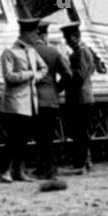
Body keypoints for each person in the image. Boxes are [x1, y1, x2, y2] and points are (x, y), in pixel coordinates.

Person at [0, 18, 48, 183]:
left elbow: (44, 68)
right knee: (13, 139)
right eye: (34, 33)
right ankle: (6, 171)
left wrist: (36, 78)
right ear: (26, 33)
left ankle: (19, 171)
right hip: (14, 103)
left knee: (23, 140)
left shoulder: (32, 51)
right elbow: (8, 77)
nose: (36, 36)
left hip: (29, 103)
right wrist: (29, 75)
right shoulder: (10, 52)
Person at [61, 22, 106, 173]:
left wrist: (64, 81)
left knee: (80, 132)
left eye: (67, 38)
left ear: (74, 37)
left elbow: (78, 76)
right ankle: (85, 162)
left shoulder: (80, 52)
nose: (66, 41)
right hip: (83, 96)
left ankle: (82, 163)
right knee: (81, 131)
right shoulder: (84, 51)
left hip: (79, 97)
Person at [33, 22, 72, 179]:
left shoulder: (28, 52)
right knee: (48, 136)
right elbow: (68, 75)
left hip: (34, 100)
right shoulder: (53, 52)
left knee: (39, 137)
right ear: (44, 35)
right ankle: (47, 167)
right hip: (52, 100)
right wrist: (57, 88)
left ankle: (46, 168)